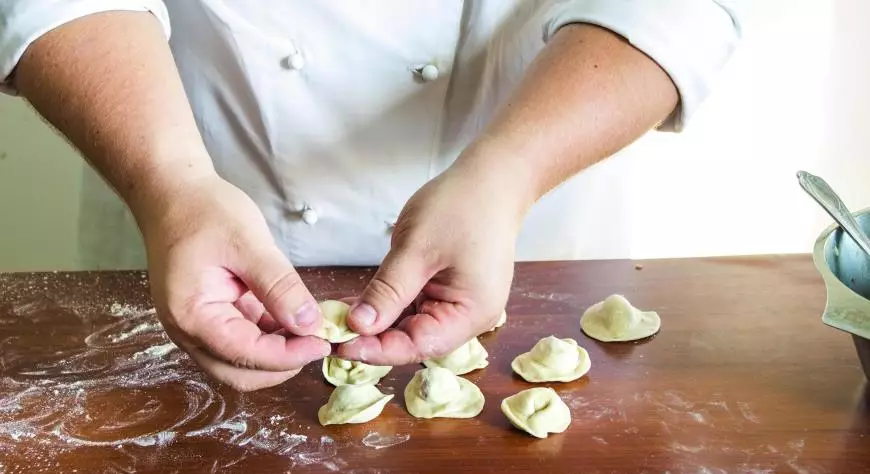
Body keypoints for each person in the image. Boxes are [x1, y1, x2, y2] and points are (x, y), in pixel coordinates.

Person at [0, 1, 741, 391]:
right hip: (183, 189)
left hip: (527, 235)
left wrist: (508, 173)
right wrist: (172, 186)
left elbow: (672, 6)